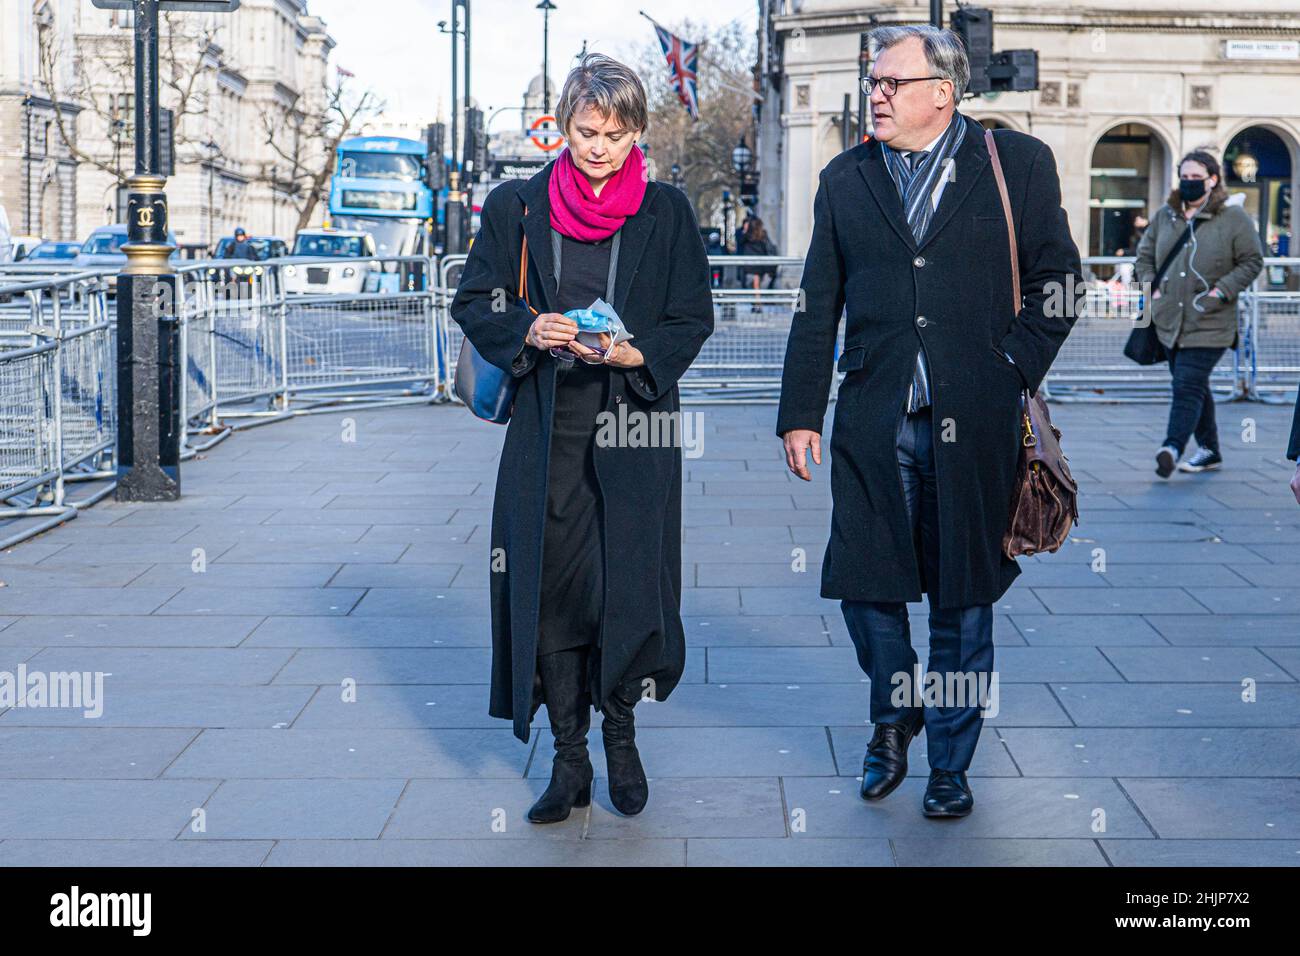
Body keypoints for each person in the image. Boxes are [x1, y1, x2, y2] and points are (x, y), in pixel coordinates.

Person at [776, 25, 1082, 819]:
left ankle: (949, 764)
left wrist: (1010, 367)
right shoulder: (846, 177)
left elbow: (1059, 281)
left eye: (889, 81)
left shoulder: (1016, 165)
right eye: (872, 80)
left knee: (962, 598)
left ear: (941, 92)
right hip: (875, 419)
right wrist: (800, 412)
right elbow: (819, 303)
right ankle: (895, 708)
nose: (874, 93)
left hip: (974, 422)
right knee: (863, 586)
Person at [450, 53, 714, 825]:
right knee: (552, 595)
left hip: (634, 419)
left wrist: (639, 355)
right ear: (563, 126)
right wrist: (527, 324)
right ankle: (570, 760)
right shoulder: (519, 205)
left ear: (637, 131)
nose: (598, 146)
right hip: (548, 425)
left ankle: (621, 737)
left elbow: (692, 317)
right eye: (585, 129)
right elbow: (477, 297)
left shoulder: (665, 212)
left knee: (625, 588)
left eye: (616, 132)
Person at [1136, 151, 1264, 478]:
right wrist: (1151, 286)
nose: (1189, 183)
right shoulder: (1167, 215)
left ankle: (1172, 446)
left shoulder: (1233, 218)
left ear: (1212, 179)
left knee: (1187, 384)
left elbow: (1251, 261)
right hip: (1169, 322)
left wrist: (1221, 291)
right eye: (1185, 176)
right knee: (1193, 384)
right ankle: (1210, 449)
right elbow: (1145, 257)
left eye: (1196, 177)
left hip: (1211, 321)